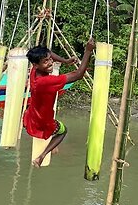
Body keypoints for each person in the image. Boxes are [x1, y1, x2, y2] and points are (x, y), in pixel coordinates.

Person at [24, 38, 95, 168]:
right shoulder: (45, 82)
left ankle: (52, 146)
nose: (50, 62)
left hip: (32, 114)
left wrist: (65, 61)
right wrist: (88, 51)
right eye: (46, 62)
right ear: (36, 65)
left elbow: (49, 53)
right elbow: (78, 74)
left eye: (50, 59)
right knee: (63, 131)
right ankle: (42, 155)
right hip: (42, 121)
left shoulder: (34, 71)